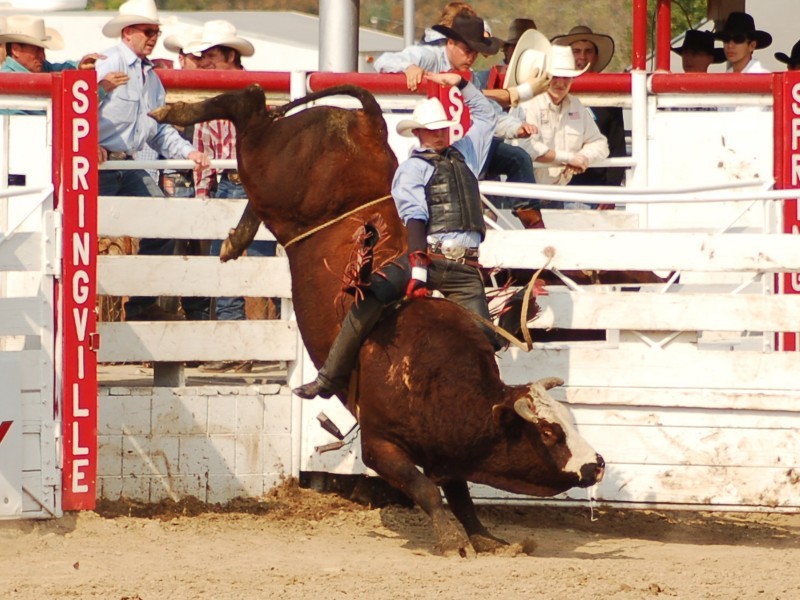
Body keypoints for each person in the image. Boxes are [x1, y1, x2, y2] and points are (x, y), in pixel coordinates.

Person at [294, 71, 504, 400]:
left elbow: (486, 113)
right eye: (433, 130)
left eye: (443, 128)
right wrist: (418, 264)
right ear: (419, 132)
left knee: (484, 340)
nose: (439, 135)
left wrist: (460, 83)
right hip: (429, 258)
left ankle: (490, 400)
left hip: (465, 268)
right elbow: (415, 216)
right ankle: (330, 376)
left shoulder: (468, 154)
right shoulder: (412, 169)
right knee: (371, 298)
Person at [95, 0, 209, 322]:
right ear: (128, 32)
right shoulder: (107, 62)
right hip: (98, 165)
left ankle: (141, 307)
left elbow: (158, 129)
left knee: (161, 221)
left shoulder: (151, 78)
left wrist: (188, 152)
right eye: (148, 31)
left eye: (156, 32)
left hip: (125, 164)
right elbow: (76, 104)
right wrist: (87, 140)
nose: (153, 37)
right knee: (84, 233)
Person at [185, 20, 275, 373]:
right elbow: (203, 146)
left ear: (230, 55)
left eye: (210, 55)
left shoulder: (257, 95)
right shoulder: (232, 97)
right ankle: (235, 349)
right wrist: (204, 193)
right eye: (202, 56)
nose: (204, 62)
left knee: (262, 268)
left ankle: (265, 345)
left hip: (253, 186)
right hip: (229, 183)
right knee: (227, 266)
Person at [510, 45, 609, 192]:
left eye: (566, 77)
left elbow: (600, 143)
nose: (561, 83)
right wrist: (569, 158)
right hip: (521, 193)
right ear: (544, 78)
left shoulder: (575, 105)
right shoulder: (528, 103)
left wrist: (583, 157)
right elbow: (526, 148)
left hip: (557, 192)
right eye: (555, 77)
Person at [551, 25, 624, 205]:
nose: (582, 57)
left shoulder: (609, 96)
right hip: (554, 187)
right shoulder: (550, 93)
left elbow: (616, 144)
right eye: (576, 51)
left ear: (596, 56)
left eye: (588, 51)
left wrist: (611, 190)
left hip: (594, 189)